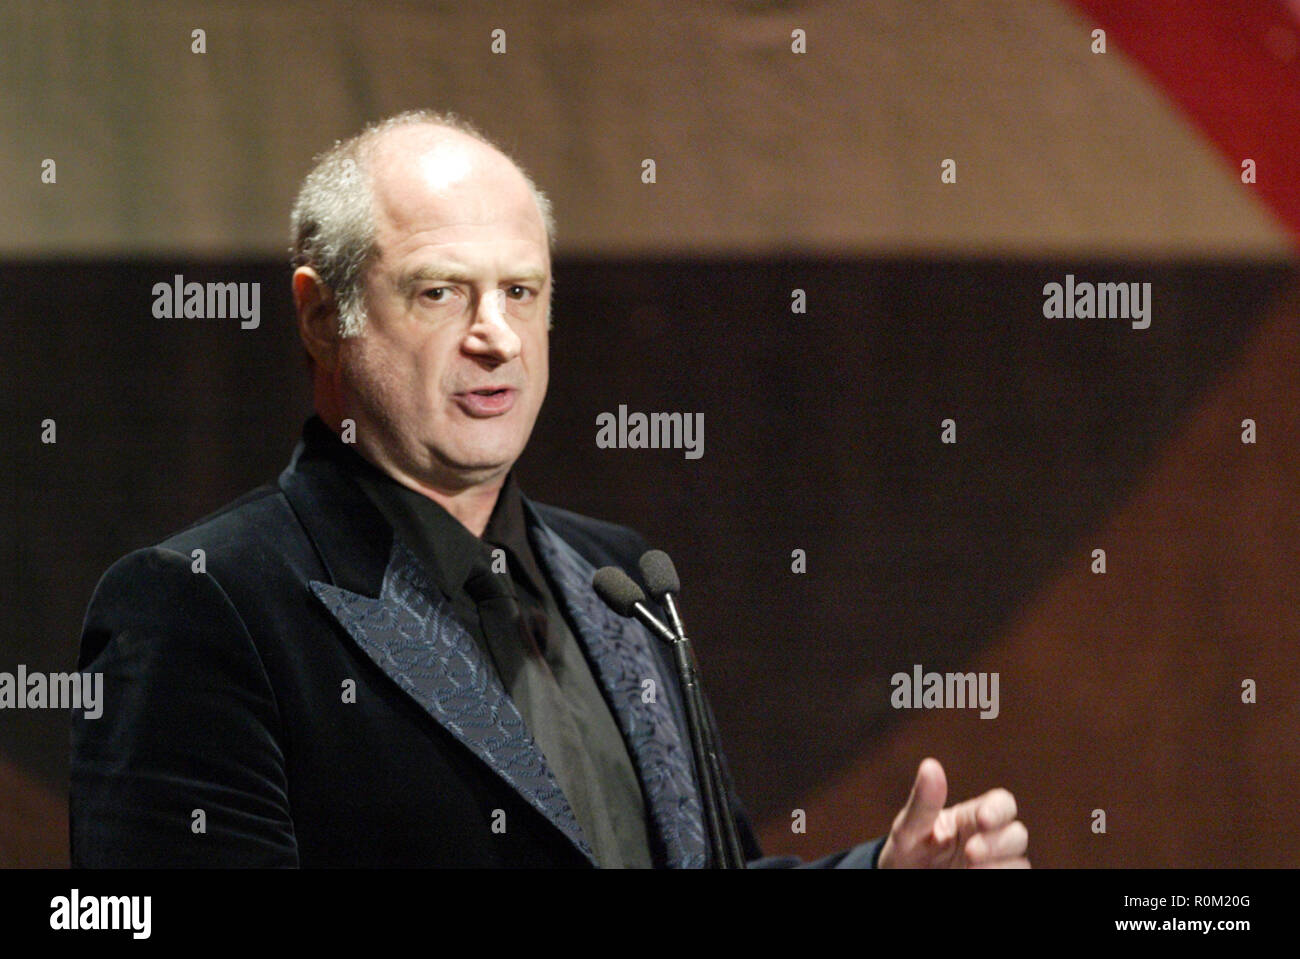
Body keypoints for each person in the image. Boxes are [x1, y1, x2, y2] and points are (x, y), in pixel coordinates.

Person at [70, 110, 1029, 869]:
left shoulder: (622, 581)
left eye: (521, 292)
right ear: (323, 316)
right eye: (441, 291)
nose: (497, 336)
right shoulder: (203, 601)